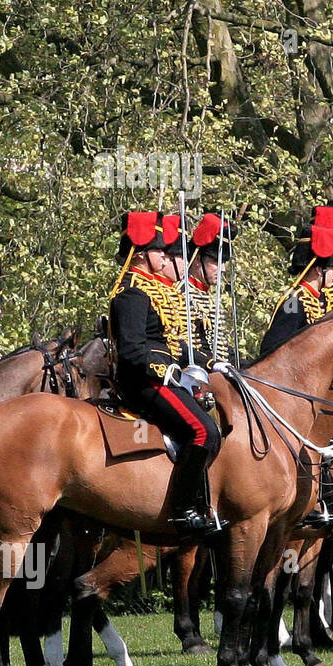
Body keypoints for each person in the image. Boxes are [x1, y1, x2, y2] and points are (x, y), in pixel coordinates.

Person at [108, 211, 222, 537]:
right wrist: (170, 373)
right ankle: (181, 510)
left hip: (160, 377)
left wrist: (210, 362)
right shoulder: (132, 292)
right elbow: (132, 350)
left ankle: (203, 503)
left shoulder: (152, 289)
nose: (167, 256)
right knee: (204, 432)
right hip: (142, 382)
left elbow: (171, 342)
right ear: (143, 253)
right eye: (161, 251)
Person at [260, 221, 333, 356]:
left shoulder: (319, 298)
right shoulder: (293, 301)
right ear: (319, 270)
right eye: (332, 269)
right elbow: (272, 347)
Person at [185, 211, 236, 364]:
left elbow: (222, 350)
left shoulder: (205, 296)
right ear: (197, 260)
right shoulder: (181, 293)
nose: (222, 269)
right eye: (216, 262)